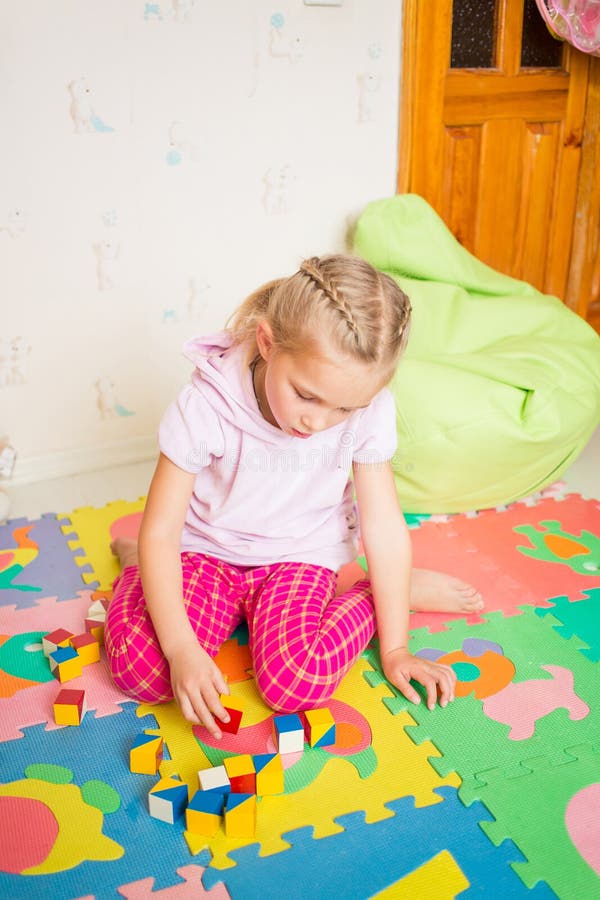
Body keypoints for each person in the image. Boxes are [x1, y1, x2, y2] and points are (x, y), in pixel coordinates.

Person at [105, 254, 483, 739]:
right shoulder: (207, 403)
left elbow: (383, 525)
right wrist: (181, 650)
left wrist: (396, 649)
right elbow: (160, 530)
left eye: (345, 407)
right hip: (202, 552)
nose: (318, 422)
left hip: (298, 556)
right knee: (144, 671)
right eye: (306, 395)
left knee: (297, 684)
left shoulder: (369, 411)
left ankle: (385, 593)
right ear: (267, 342)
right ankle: (139, 569)